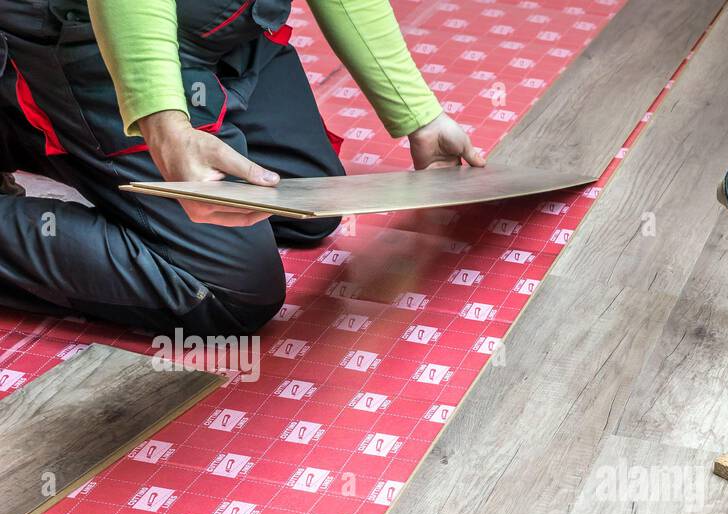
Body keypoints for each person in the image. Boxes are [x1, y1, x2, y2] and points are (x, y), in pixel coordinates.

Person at [0, 0, 485, 335]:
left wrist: (419, 116)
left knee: (308, 205)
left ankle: (33, 126)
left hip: (220, 32)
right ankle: (35, 100)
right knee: (226, 291)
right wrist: (165, 125)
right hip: (102, 32)